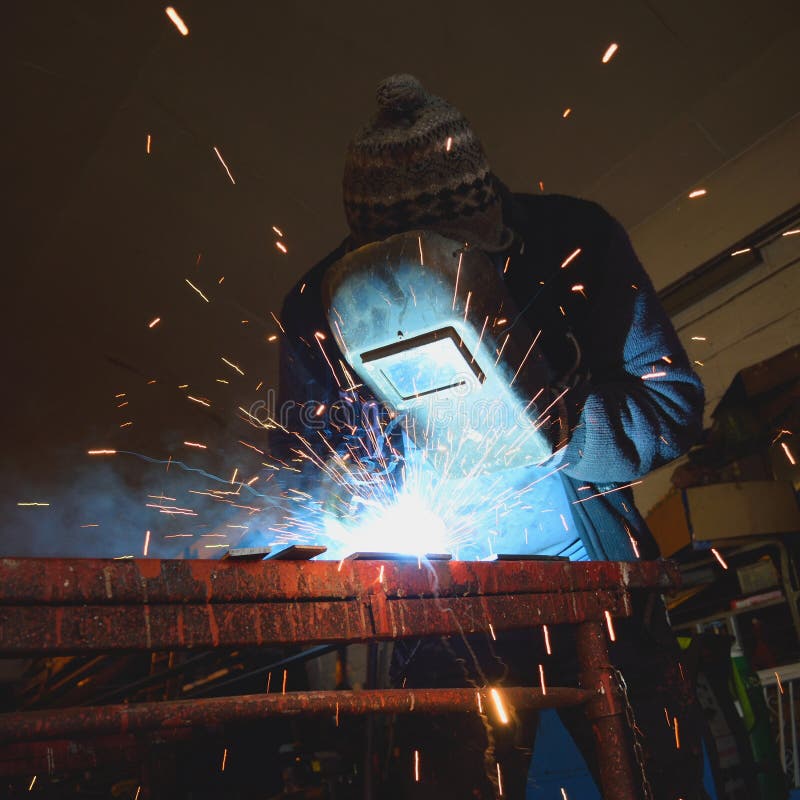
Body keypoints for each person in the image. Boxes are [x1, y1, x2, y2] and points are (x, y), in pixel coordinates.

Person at [271, 74, 710, 799]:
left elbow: (672, 404)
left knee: (656, 778)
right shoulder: (320, 303)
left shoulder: (575, 238)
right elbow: (300, 463)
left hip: (597, 589)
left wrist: (570, 429)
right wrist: (341, 493)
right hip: (437, 612)